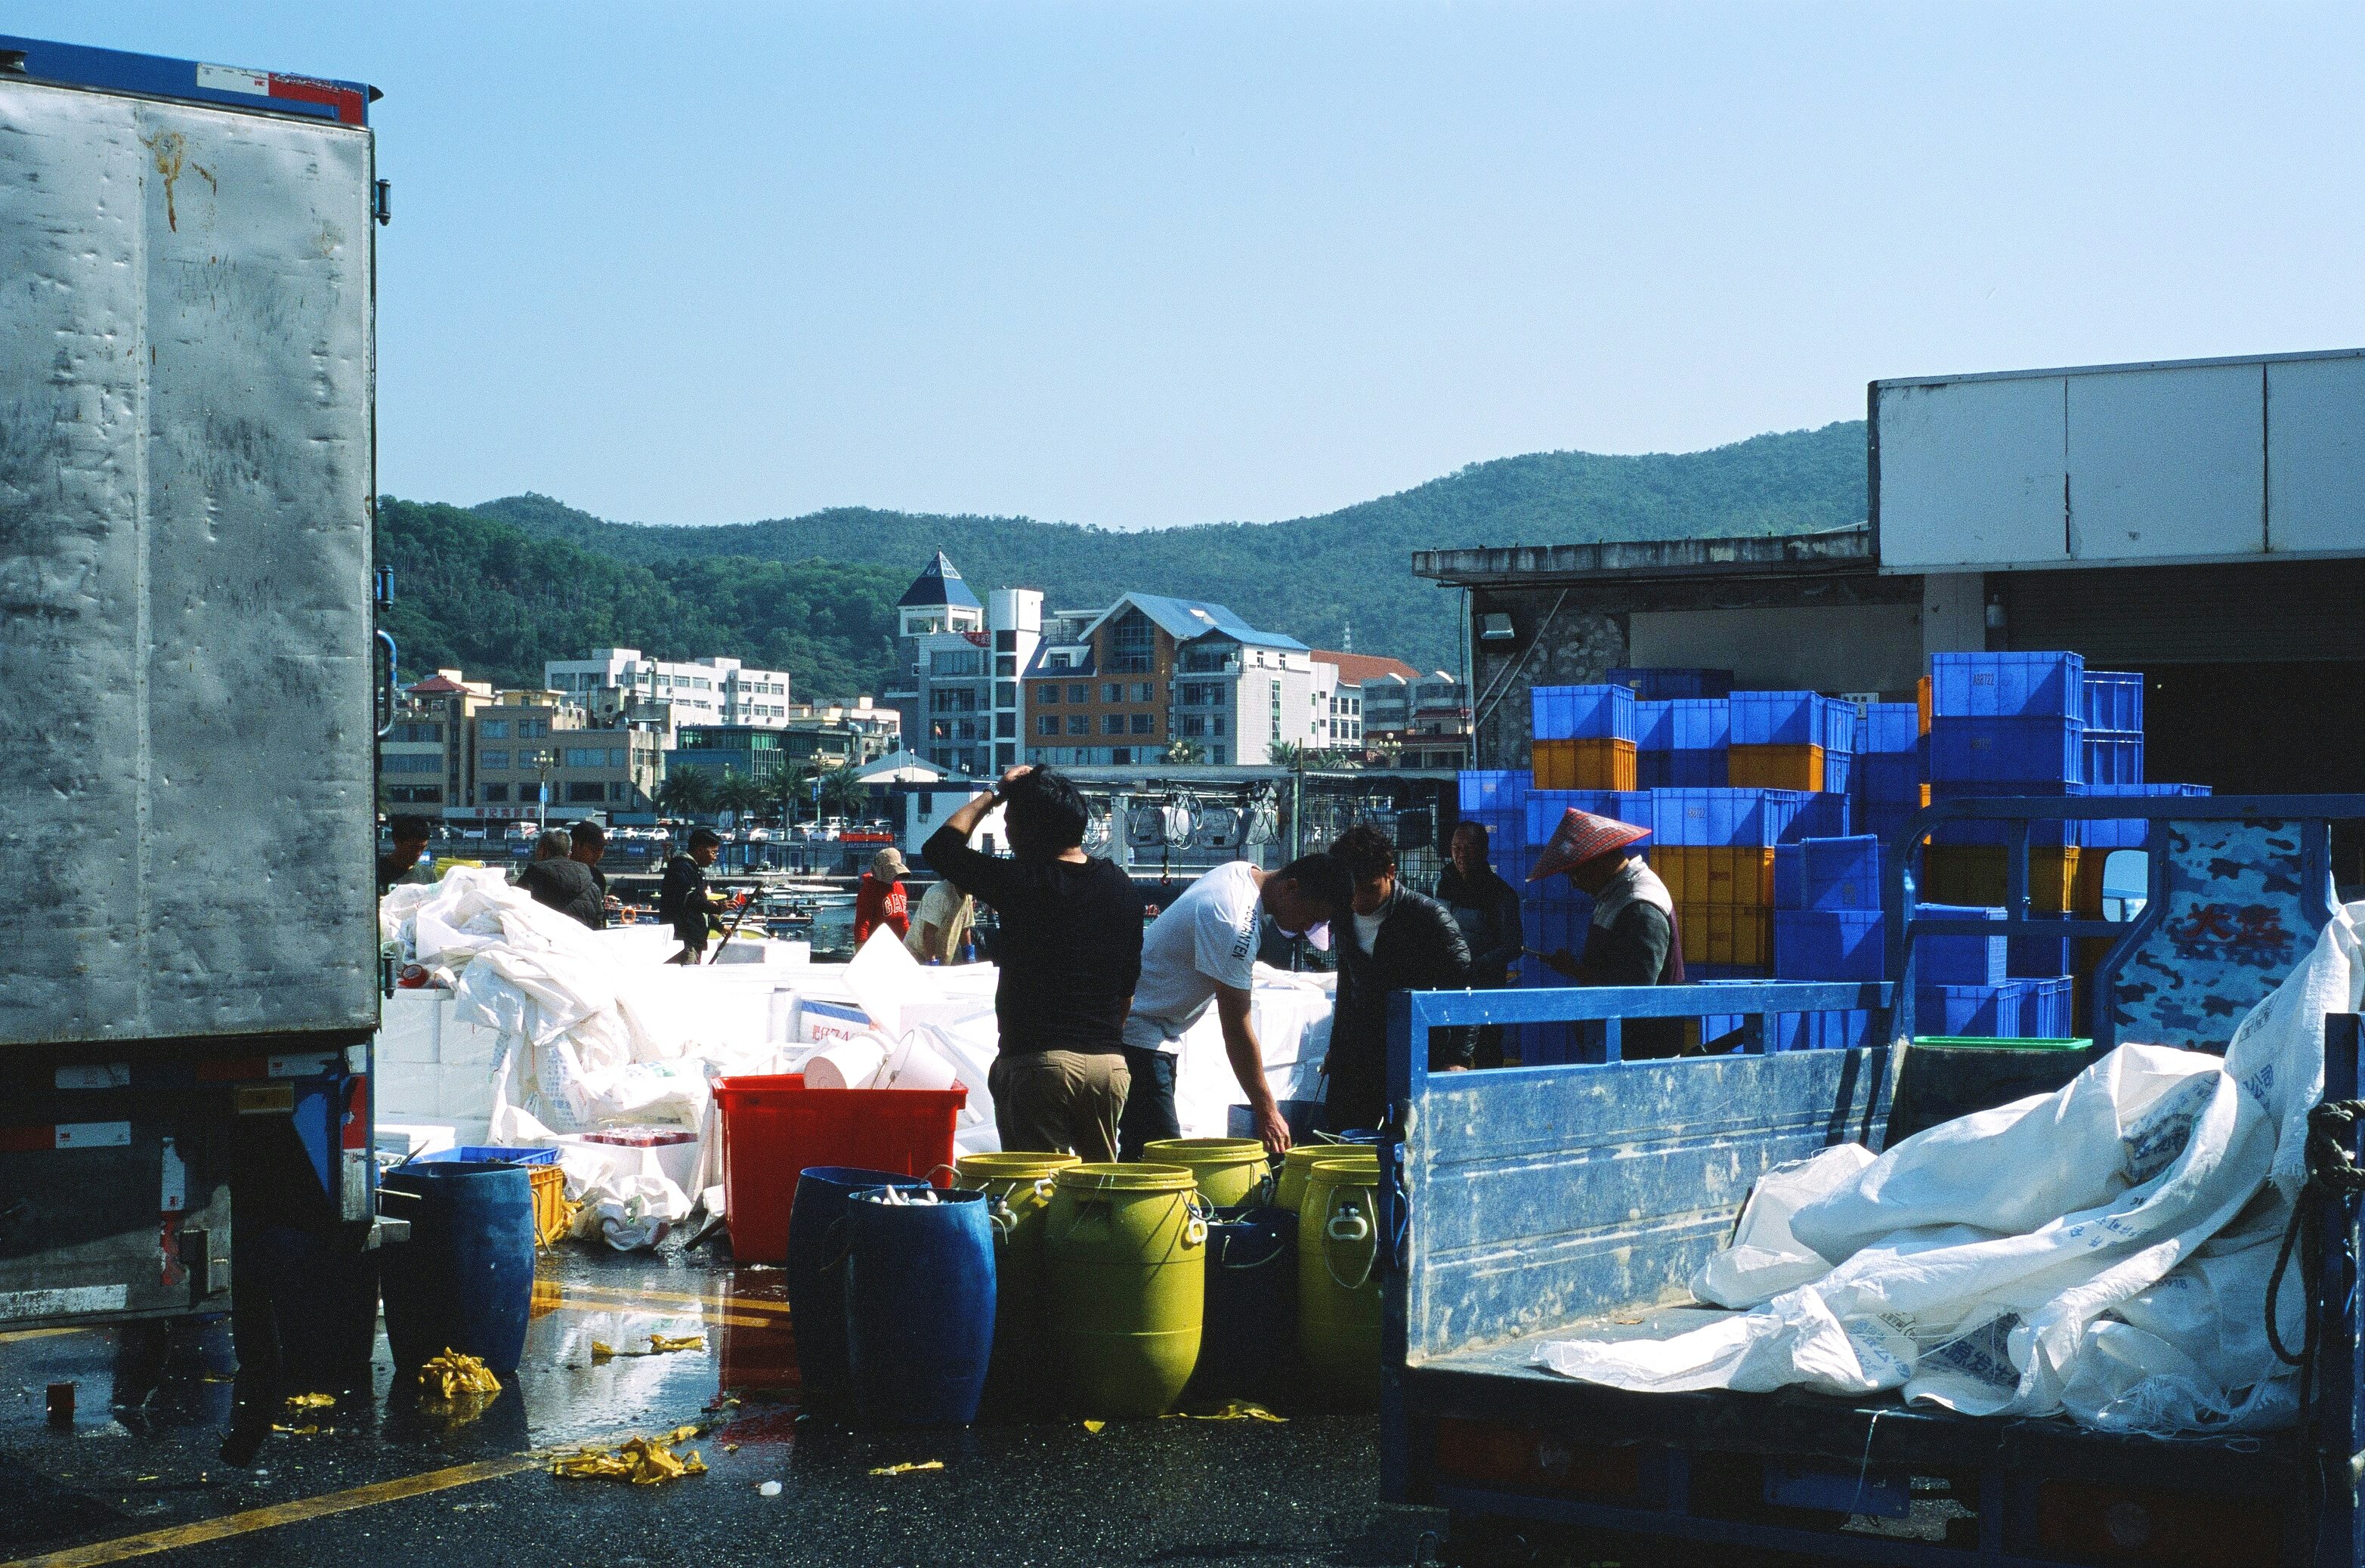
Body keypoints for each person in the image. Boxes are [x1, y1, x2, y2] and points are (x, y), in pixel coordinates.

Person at [925, 765, 1142, 1161]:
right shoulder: (1121, 886)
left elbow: (940, 849)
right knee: (1097, 1198)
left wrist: (995, 793)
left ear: (1029, 830)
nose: (1007, 833)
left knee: (1035, 1199)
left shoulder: (1021, 881)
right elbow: (1127, 986)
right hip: (1108, 1068)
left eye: (1010, 824)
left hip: (1038, 1063)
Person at [1119, 853, 1353, 1159]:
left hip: (1150, 1029)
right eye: (1309, 917)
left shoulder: (1241, 873)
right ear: (1290, 888)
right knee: (1163, 1159)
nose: (1304, 928)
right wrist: (1267, 1110)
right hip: (1139, 1031)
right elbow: (1236, 1027)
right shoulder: (1236, 924)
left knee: (1142, 1150)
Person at [1322, 823, 1472, 1133]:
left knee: (1406, 1144)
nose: (1358, 901)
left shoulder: (1430, 918)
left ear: (1391, 872)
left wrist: (1458, 1057)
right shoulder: (1342, 914)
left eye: (1368, 889)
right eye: (1350, 891)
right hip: (1360, 1048)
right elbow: (1346, 985)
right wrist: (1335, 1047)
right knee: (1344, 1136)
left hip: (1415, 1049)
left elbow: (1464, 989)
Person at [1528, 807, 1686, 1057]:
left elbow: (1633, 995)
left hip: (1642, 1054)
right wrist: (1575, 969)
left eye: (1575, 872)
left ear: (1600, 860)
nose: (1574, 883)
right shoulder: (1614, 895)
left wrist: (1579, 973)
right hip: (1614, 1046)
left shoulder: (1640, 905)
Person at [1435, 821, 1525, 1069]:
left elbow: (1514, 945)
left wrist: (1478, 966)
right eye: (1456, 847)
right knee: (1445, 1053)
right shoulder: (1442, 885)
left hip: (1485, 990)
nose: (1460, 854)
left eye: (1468, 847)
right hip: (1446, 987)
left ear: (1485, 851)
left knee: (1487, 1052)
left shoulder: (1501, 894)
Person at [658, 827, 730, 965]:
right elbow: (689, 901)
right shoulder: (682, 869)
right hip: (684, 941)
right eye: (713, 852)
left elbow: (696, 908)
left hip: (693, 941)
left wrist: (718, 926)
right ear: (700, 849)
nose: (715, 857)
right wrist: (718, 908)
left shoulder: (691, 869)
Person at [516, 827, 604, 929]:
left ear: (543, 850)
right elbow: (598, 924)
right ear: (569, 854)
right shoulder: (593, 886)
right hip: (582, 942)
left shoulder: (531, 878)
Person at [904, 877, 976, 964]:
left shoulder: (968, 896)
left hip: (942, 958)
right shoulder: (939, 894)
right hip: (914, 958)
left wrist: (970, 958)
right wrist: (932, 964)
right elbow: (929, 933)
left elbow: (965, 928)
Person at [854, 847, 910, 947]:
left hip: (899, 947)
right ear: (880, 870)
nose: (896, 876)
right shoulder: (869, 890)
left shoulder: (899, 887)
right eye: (892, 871)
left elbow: (904, 921)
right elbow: (862, 925)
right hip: (876, 948)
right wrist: (860, 953)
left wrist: (910, 944)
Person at [568, 819, 612, 929]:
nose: (599, 855)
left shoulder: (597, 877)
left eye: (601, 849)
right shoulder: (554, 874)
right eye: (593, 849)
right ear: (575, 846)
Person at [377, 815, 433, 895]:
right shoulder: (377, 871)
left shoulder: (428, 875)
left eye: (423, 848)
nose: (418, 853)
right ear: (397, 841)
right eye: (413, 847)